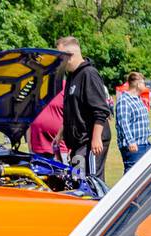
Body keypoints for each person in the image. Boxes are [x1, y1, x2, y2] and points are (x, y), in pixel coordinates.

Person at [56, 36, 112, 185]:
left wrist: (96, 138)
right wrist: (62, 132)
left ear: (70, 55)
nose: (59, 61)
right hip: (77, 144)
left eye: (61, 56)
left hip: (90, 141)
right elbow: (72, 111)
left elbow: (101, 110)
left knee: (92, 183)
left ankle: (100, 207)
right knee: (77, 180)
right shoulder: (71, 77)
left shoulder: (89, 74)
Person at [115, 71, 151, 174]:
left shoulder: (138, 98)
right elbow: (123, 123)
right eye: (143, 83)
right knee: (132, 175)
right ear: (138, 83)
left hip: (144, 143)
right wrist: (130, 141)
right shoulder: (124, 100)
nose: (145, 85)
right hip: (133, 146)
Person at [28, 88, 65, 161]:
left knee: (61, 172)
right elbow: (28, 115)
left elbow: (72, 116)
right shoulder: (36, 87)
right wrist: (29, 144)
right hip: (36, 150)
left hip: (60, 150)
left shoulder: (66, 87)